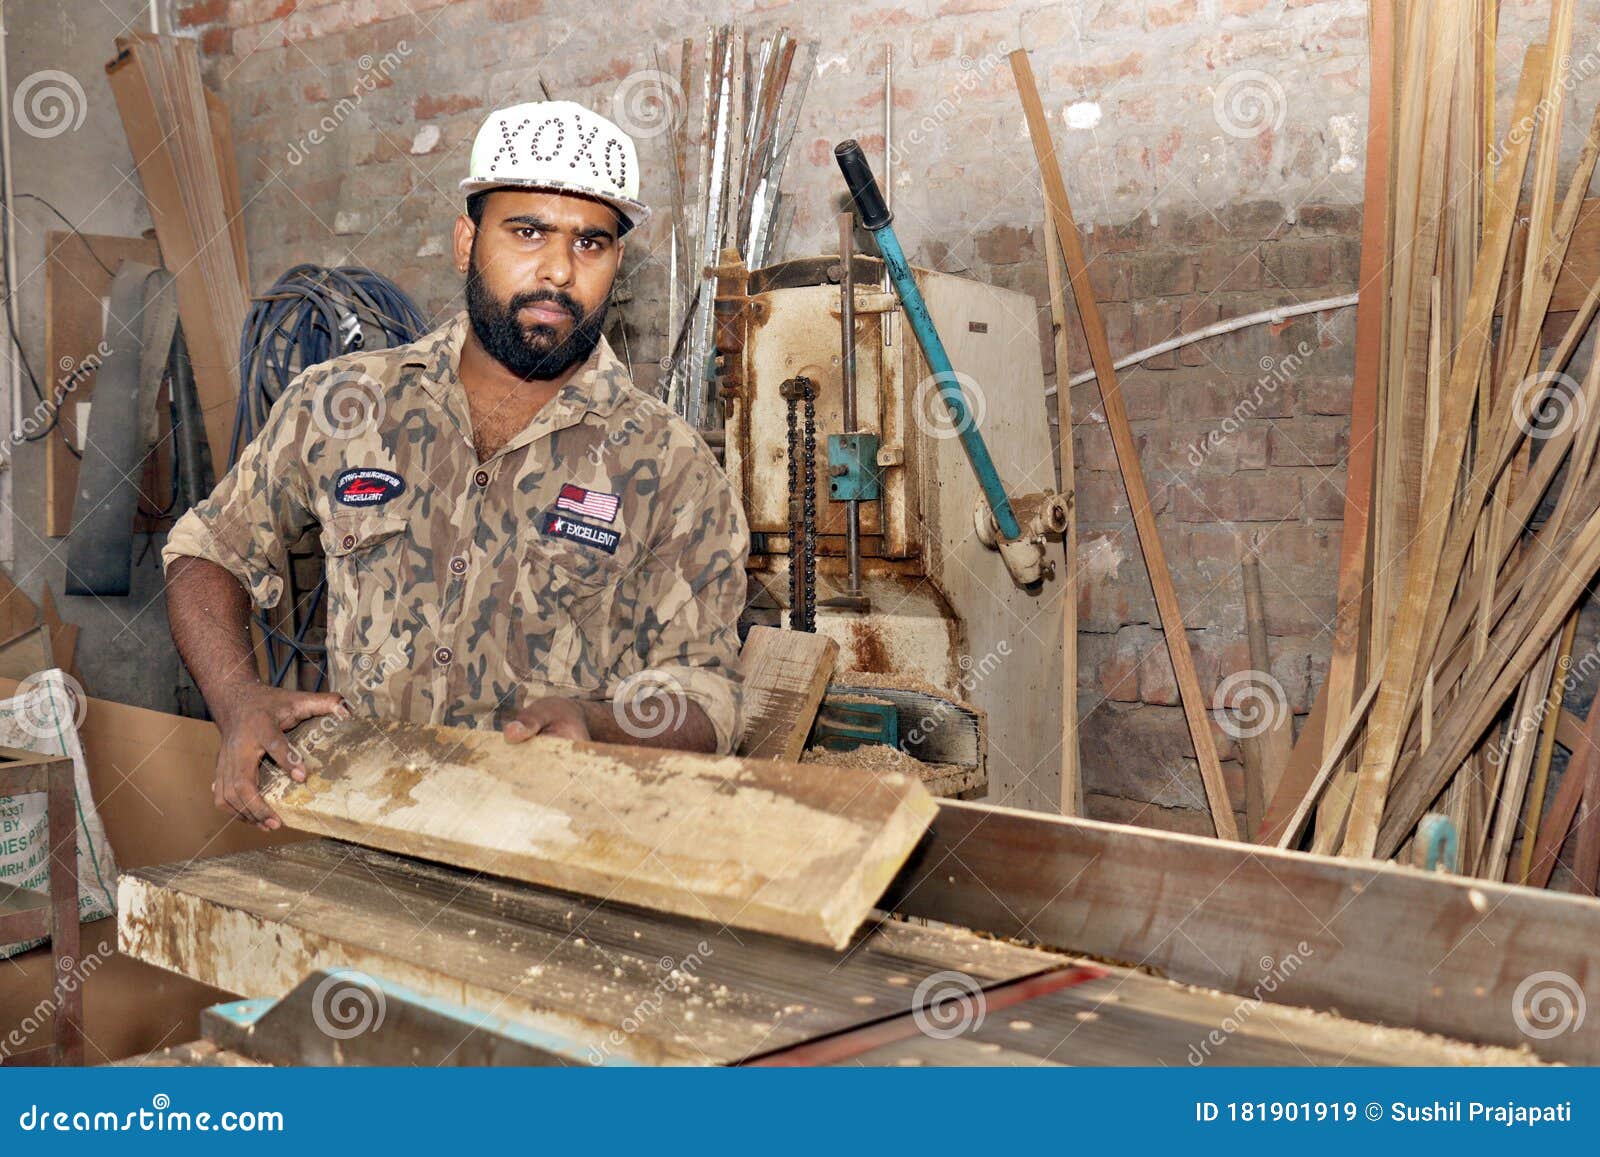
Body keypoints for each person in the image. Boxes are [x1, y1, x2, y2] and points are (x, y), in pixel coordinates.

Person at [162, 100, 748, 830]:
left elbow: (708, 693)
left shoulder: (669, 464)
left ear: (617, 262)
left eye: (590, 243)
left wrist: (602, 725)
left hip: (555, 855)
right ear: (466, 241)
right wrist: (236, 696)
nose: (559, 270)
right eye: (528, 232)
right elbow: (205, 547)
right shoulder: (344, 405)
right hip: (355, 832)